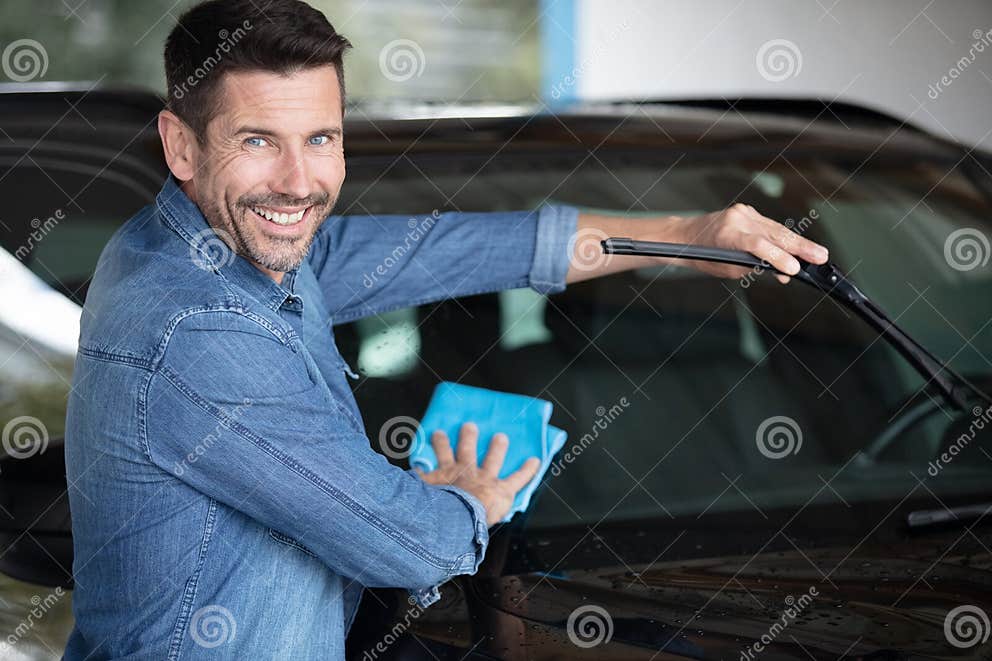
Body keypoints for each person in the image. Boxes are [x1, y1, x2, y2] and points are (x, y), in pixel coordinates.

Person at [62, 0, 829, 657]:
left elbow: (443, 251)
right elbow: (409, 542)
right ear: (182, 145)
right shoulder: (198, 327)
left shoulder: (207, 243)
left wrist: (685, 233)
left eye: (321, 138)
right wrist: (465, 497)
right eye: (258, 140)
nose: (299, 182)